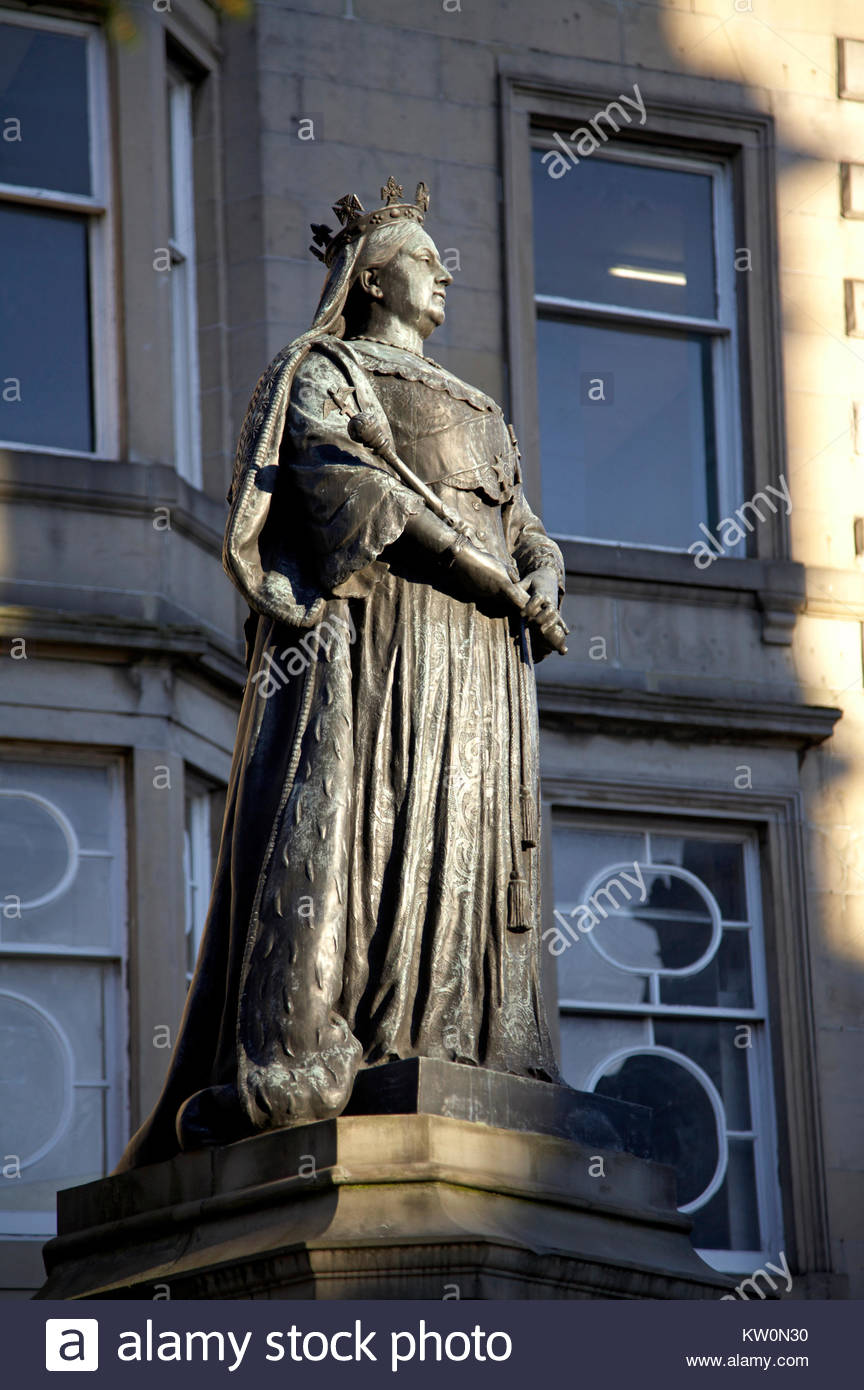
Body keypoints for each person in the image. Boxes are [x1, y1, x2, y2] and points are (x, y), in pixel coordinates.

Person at [116, 179, 568, 1171]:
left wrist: (538, 569)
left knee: (465, 838)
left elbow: (525, 522)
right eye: (423, 257)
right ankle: (355, 1033)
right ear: (369, 279)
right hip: (384, 646)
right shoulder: (324, 372)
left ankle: (451, 1033)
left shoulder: (480, 406)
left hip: (478, 662)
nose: (444, 272)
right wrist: (485, 569)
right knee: (372, 832)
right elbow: (339, 481)